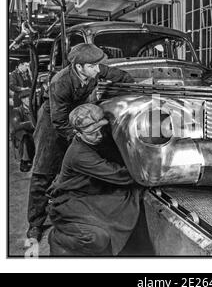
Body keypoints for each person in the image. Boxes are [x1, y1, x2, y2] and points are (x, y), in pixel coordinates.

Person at [27, 43, 134, 241]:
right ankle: (35, 223)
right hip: (52, 123)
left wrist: (129, 93)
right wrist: (81, 139)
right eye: (92, 67)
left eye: (97, 66)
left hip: (82, 117)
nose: (97, 69)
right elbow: (59, 121)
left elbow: (122, 76)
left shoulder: (94, 67)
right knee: (44, 171)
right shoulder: (60, 82)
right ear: (79, 67)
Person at [47, 103, 141, 256]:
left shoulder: (95, 140)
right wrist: (146, 173)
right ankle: (58, 238)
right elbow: (117, 175)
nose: (100, 136)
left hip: (88, 195)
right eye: (92, 133)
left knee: (124, 205)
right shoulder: (79, 154)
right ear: (78, 133)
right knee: (97, 239)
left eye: (100, 130)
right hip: (68, 203)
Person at [9, 89, 35, 172]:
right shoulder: (16, 110)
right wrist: (32, 124)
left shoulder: (35, 109)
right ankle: (25, 161)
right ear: (22, 100)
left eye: (29, 97)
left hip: (34, 132)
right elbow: (17, 125)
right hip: (21, 136)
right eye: (25, 98)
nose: (28, 100)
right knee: (23, 134)